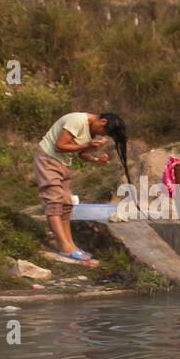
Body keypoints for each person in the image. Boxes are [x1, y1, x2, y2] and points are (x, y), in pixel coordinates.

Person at [33, 111, 128, 267]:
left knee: (67, 205)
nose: (102, 135)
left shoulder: (92, 129)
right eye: (105, 132)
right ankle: (64, 247)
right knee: (54, 203)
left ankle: (70, 245)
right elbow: (60, 146)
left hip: (63, 164)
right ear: (103, 121)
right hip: (48, 160)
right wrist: (88, 145)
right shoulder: (76, 120)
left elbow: (82, 154)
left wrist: (97, 159)